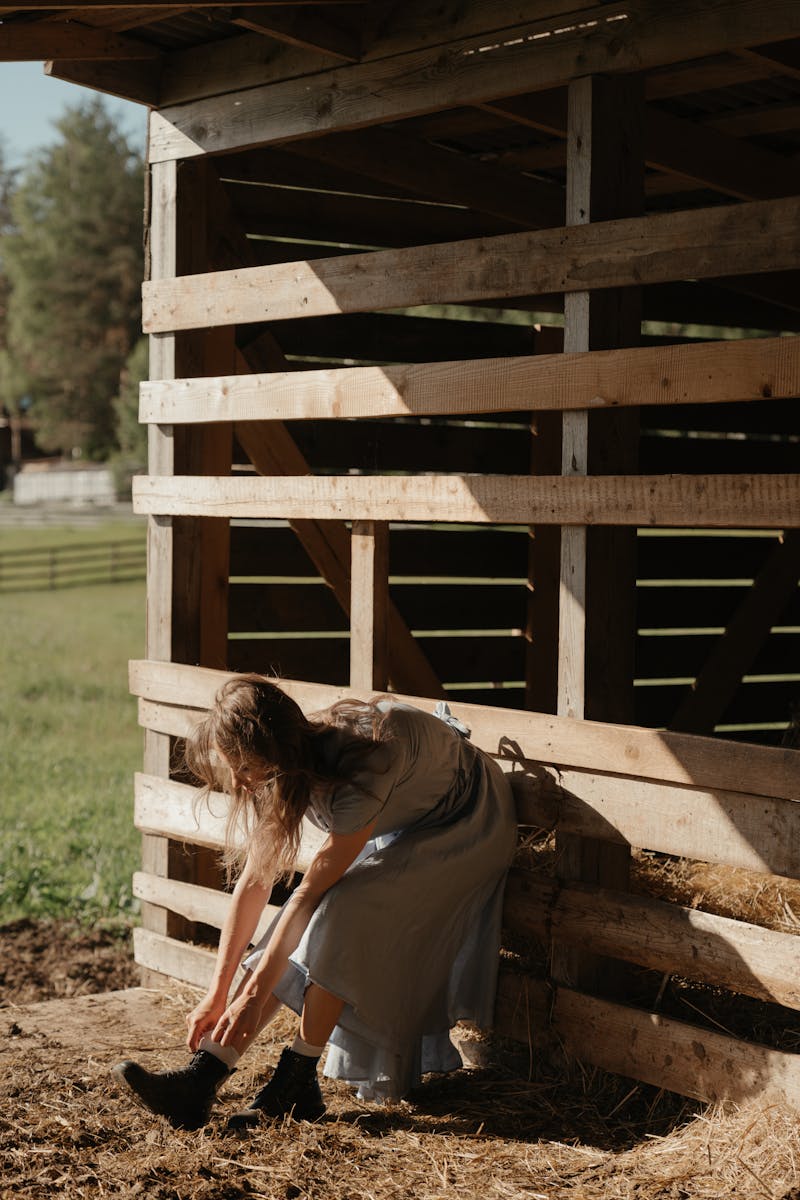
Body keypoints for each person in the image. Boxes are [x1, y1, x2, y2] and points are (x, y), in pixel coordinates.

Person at [113, 674, 517, 1131]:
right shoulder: (287, 767)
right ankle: (202, 1079)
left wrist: (253, 995)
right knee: (307, 921)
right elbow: (254, 883)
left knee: (342, 910)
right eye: (234, 769)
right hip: (406, 817)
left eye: (245, 768)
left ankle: (297, 1080)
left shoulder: (368, 760)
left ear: (274, 753)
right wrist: (219, 992)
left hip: (466, 819)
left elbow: (309, 895)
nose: (241, 784)